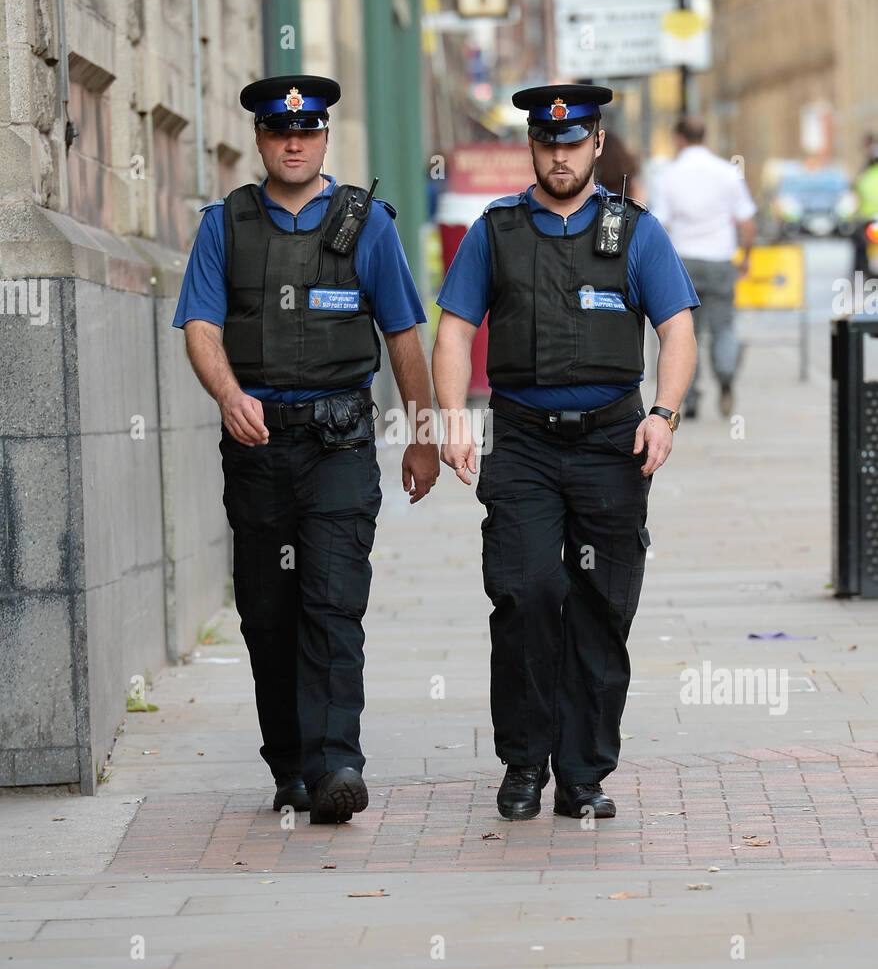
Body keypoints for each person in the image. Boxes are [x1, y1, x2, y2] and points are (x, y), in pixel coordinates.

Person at [173, 76, 439, 824]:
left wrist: (423, 436)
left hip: (340, 445)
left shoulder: (368, 224)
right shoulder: (225, 224)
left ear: (324, 138)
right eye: (280, 131)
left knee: (332, 601)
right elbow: (200, 327)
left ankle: (335, 766)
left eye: (309, 131)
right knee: (267, 611)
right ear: (260, 140)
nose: (295, 143)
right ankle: (289, 763)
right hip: (257, 452)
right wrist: (229, 395)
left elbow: (403, 336)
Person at [432, 84, 698, 822]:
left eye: (573, 143)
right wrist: (450, 419)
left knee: (601, 607)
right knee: (523, 594)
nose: (560, 155)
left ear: (596, 145)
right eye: (548, 143)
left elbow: (677, 328)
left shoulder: (635, 232)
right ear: (532, 148)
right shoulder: (497, 231)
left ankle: (582, 772)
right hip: (521, 443)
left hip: (614, 443)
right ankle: (524, 763)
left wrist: (664, 414)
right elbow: (454, 329)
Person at [649, 115, 756, 419]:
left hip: (683, 261)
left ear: (679, 138)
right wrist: (746, 255)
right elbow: (747, 220)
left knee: (685, 331)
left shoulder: (668, 174)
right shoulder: (727, 172)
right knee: (723, 327)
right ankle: (726, 375)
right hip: (721, 259)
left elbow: (660, 224)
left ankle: (690, 398)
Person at [853, 136, 878, 281]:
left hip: (867, 218)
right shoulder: (866, 176)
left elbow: (856, 195)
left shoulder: (865, 176)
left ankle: (859, 273)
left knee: (859, 245)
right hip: (869, 218)